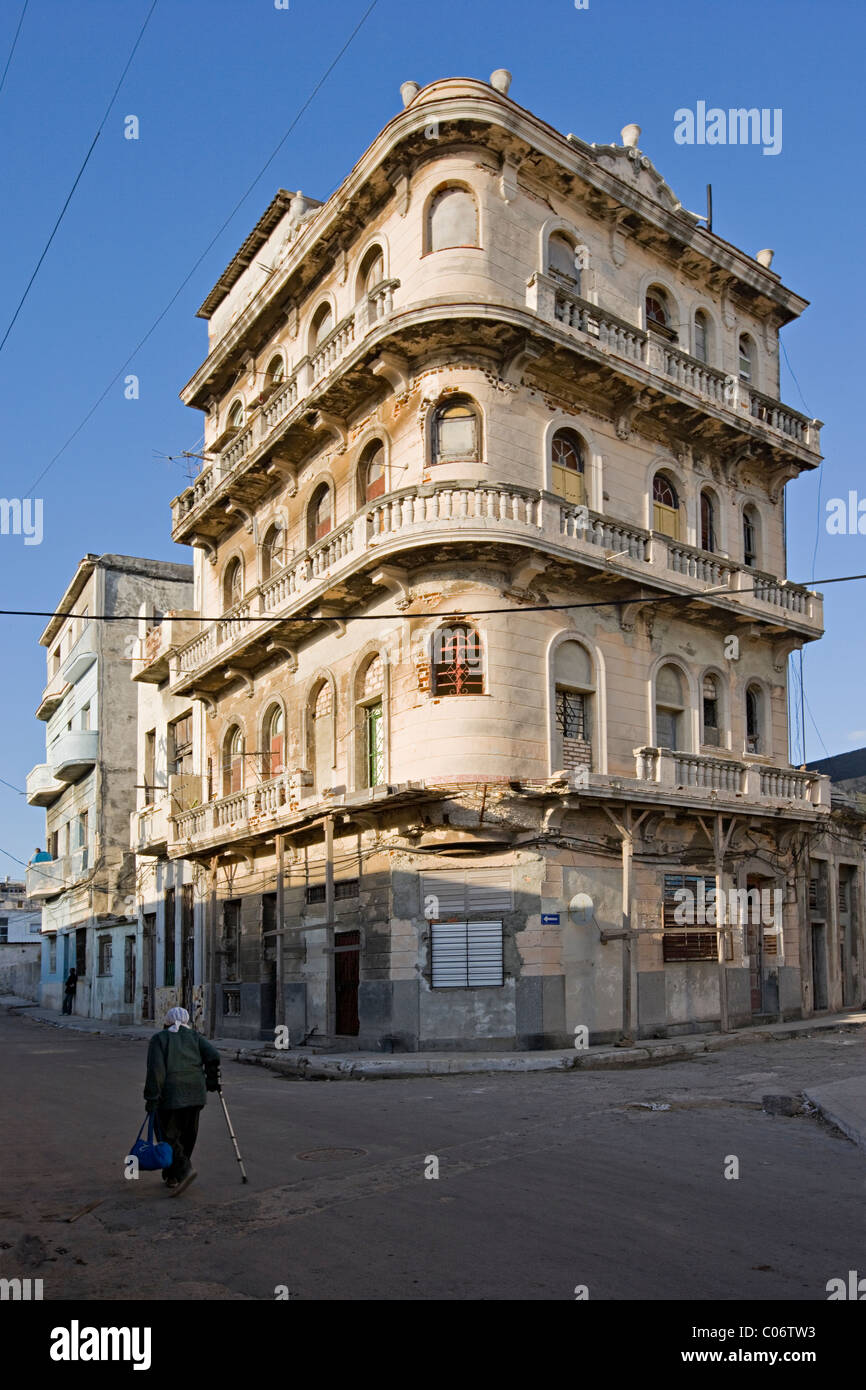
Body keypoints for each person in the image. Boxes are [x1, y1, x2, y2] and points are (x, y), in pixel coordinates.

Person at [143, 1006, 220, 1196]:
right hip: (196, 1094)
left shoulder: (160, 1039)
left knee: (168, 1136)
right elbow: (213, 1055)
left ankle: (184, 1170)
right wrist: (211, 1079)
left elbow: (156, 1071)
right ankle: (173, 1175)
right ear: (187, 1021)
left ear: (166, 1021)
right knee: (187, 1134)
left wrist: (152, 1097)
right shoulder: (195, 1037)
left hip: (171, 1095)